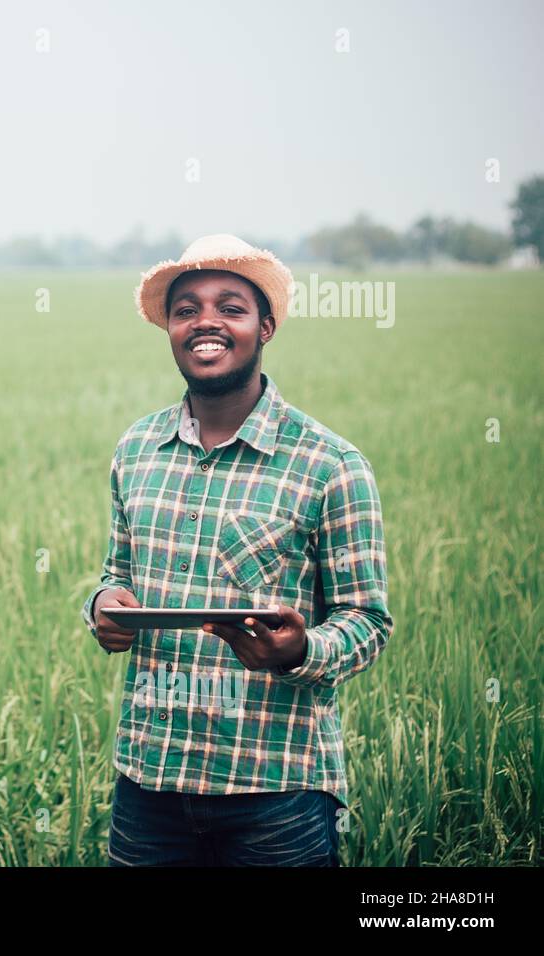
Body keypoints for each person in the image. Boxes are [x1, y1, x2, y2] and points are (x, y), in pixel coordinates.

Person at [82, 234, 394, 866]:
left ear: (266, 326)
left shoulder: (329, 464)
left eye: (231, 307)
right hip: (149, 780)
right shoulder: (136, 449)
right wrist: (102, 604)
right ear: (170, 330)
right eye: (186, 309)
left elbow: (368, 622)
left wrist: (300, 649)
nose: (206, 323)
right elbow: (117, 572)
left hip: (274, 794)